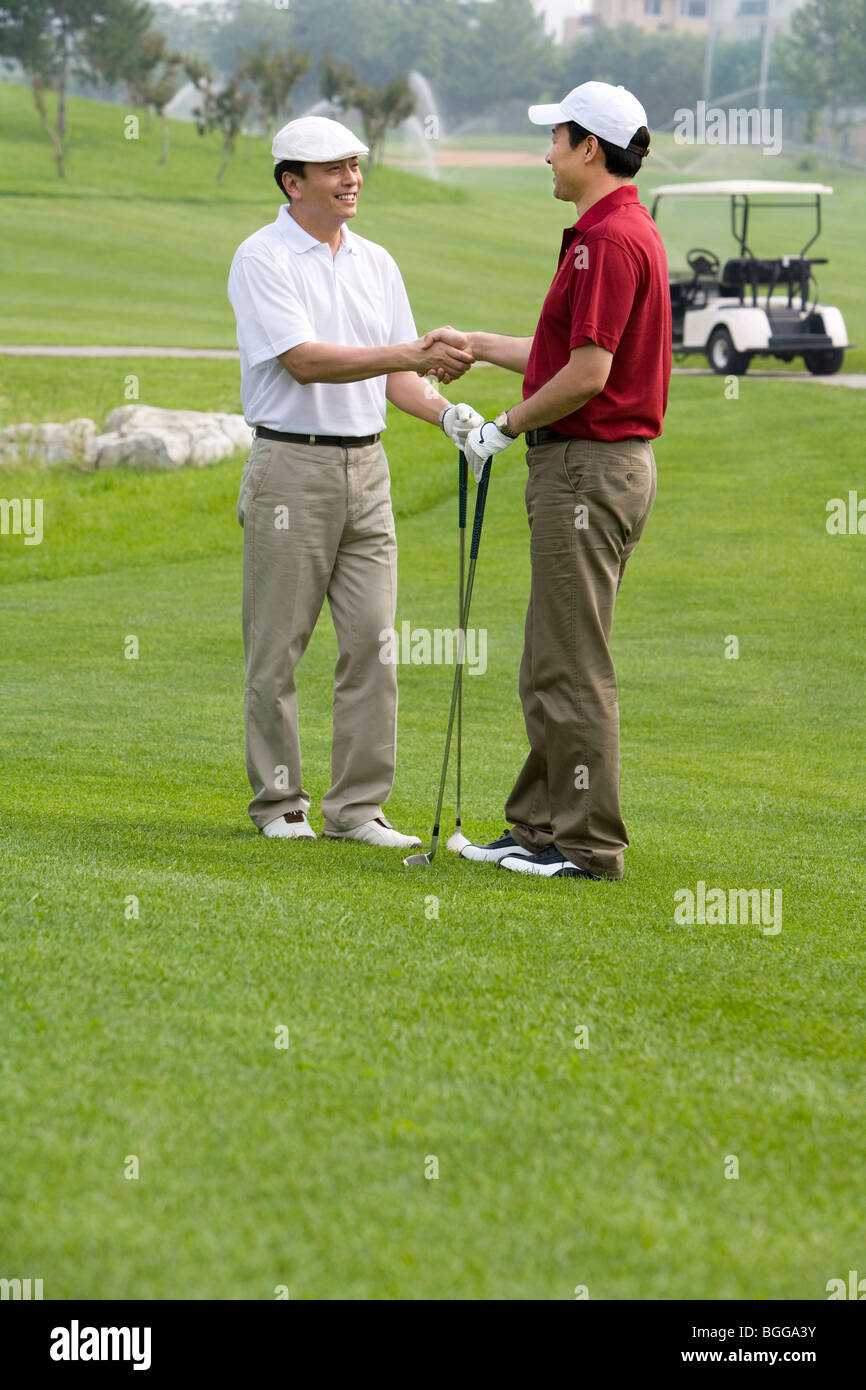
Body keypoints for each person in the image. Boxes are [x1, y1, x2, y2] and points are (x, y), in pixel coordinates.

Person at [436, 82, 671, 880]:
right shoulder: (611, 229)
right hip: (596, 467)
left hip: (586, 468)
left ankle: (586, 846)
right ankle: (537, 826)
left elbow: (588, 377)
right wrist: (475, 342)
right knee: (552, 656)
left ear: (588, 149)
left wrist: (504, 426)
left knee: (571, 663)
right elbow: (563, 355)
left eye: (556, 138)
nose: (546, 153)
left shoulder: (605, 242)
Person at [228, 116, 482, 847]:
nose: (351, 179)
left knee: (372, 642)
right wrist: (409, 349)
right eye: (333, 168)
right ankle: (281, 806)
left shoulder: (376, 260)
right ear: (291, 181)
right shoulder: (262, 257)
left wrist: (448, 417)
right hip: (290, 467)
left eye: (355, 165)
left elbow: (401, 378)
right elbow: (304, 361)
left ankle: (357, 810)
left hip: (367, 467)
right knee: (277, 648)